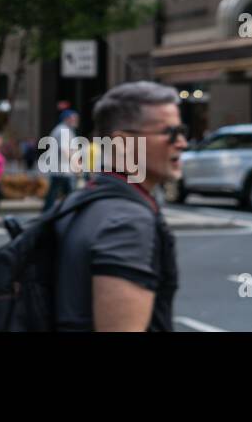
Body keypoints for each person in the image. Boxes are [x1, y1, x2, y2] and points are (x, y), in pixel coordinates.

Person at [52, 81, 187, 331]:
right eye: (169, 133)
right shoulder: (127, 223)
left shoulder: (82, 200)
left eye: (182, 131)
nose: (181, 143)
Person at [41, 109, 80, 212]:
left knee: (56, 193)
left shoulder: (63, 129)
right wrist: (75, 164)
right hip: (62, 170)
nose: (76, 120)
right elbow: (64, 149)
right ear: (67, 119)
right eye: (74, 118)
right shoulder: (63, 130)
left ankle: (49, 213)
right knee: (67, 193)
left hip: (60, 169)